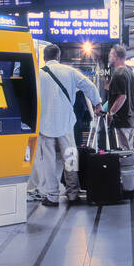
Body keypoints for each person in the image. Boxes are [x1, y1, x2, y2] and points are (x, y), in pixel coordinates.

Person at [37, 44, 101, 206]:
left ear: (44, 58)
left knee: (49, 161)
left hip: (44, 124)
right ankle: (73, 193)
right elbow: (90, 86)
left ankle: (52, 196)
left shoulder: (38, 74)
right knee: (70, 156)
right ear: (59, 57)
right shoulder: (69, 72)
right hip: (66, 122)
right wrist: (97, 104)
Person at [104, 43, 134, 150]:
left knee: (123, 153)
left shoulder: (119, 74)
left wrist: (111, 113)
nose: (109, 58)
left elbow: (122, 97)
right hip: (130, 119)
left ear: (116, 57)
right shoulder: (129, 72)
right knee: (128, 150)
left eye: (110, 56)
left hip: (122, 121)